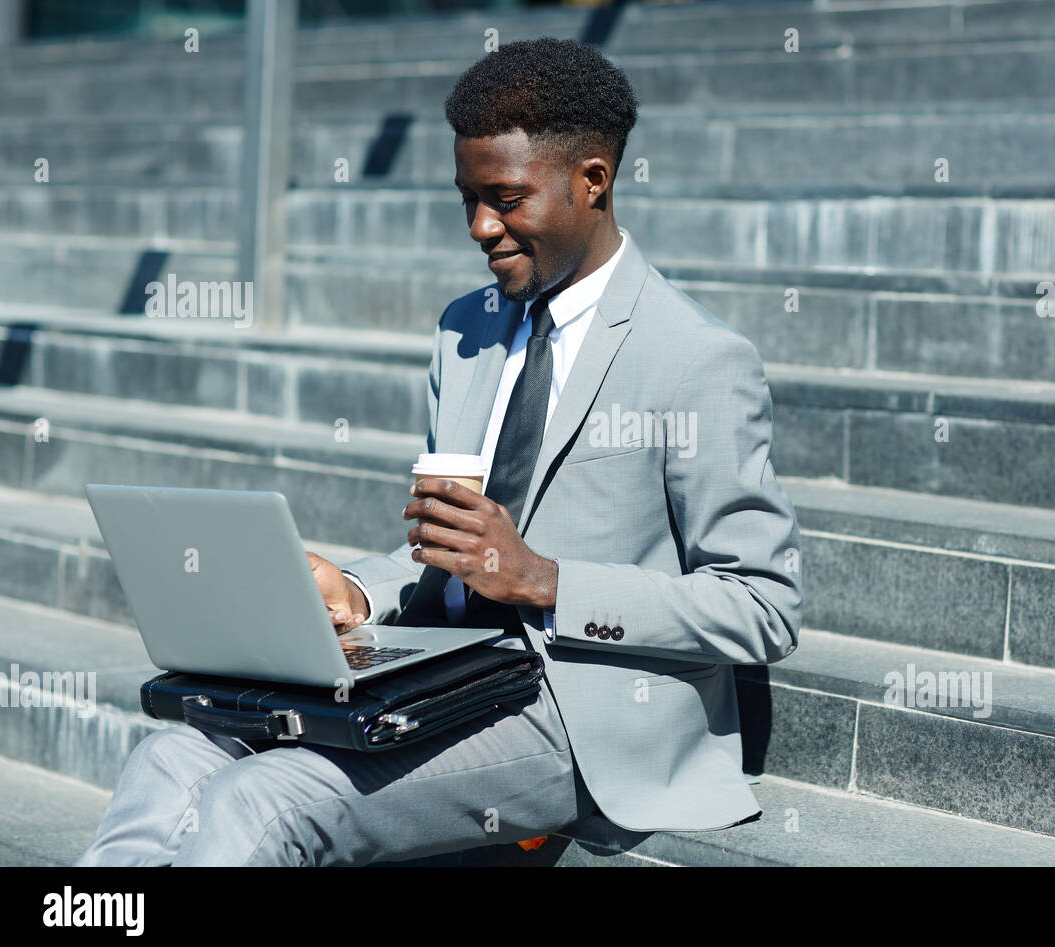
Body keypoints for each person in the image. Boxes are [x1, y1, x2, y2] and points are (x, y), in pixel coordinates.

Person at [76, 36, 803, 866]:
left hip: (575, 707)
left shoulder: (696, 357)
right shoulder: (466, 329)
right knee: (171, 757)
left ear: (593, 180)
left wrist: (546, 580)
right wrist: (355, 590)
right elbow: (450, 550)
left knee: (266, 798)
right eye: (467, 198)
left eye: (505, 198)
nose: (479, 227)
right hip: (435, 664)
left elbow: (762, 605)